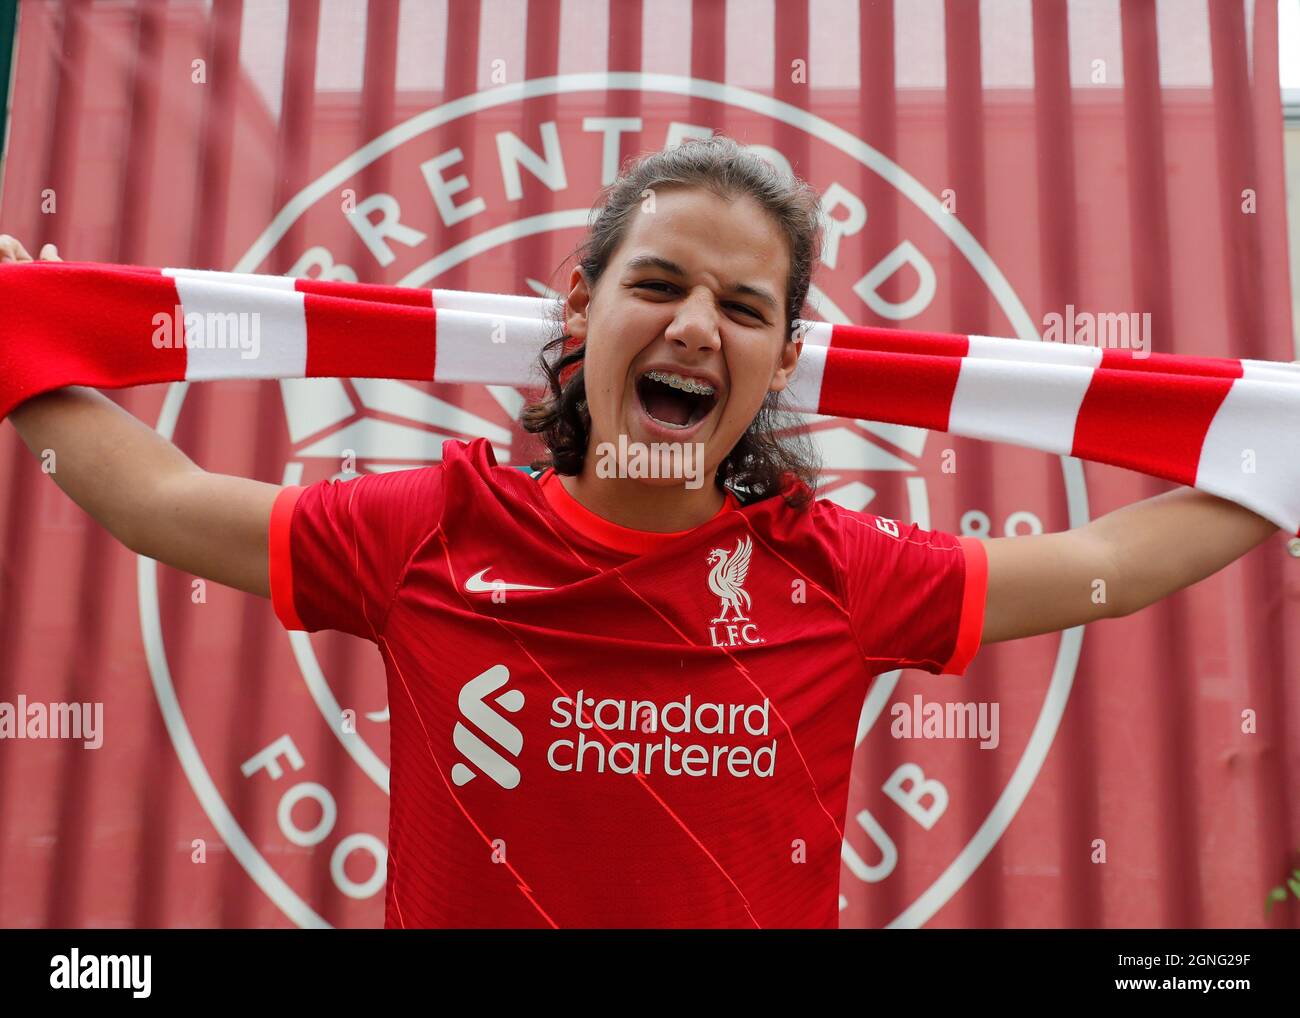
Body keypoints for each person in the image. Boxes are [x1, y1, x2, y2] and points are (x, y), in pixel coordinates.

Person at [1, 135, 1278, 928]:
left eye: (740, 306)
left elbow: (1107, 565)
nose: (692, 327)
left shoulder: (837, 573)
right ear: (581, 304)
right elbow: (162, 503)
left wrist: (1282, 465)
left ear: (780, 358)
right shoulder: (428, 530)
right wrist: (21, 350)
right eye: (657, 284)